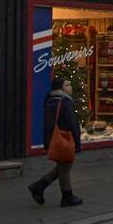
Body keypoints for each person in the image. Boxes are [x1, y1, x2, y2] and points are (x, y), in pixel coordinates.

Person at [27, 77, 84, 207]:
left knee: (63, 167)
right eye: (67, 85)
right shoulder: (65, 102)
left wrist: (48, 142)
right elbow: (72, 123)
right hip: (65, 138)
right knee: (65, 167)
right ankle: (63, 195)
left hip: (54, 139)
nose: (70, 87)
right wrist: (77, 141)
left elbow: (48, 124)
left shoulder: (50, 100)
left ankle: (44, 188)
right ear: (61, 89)